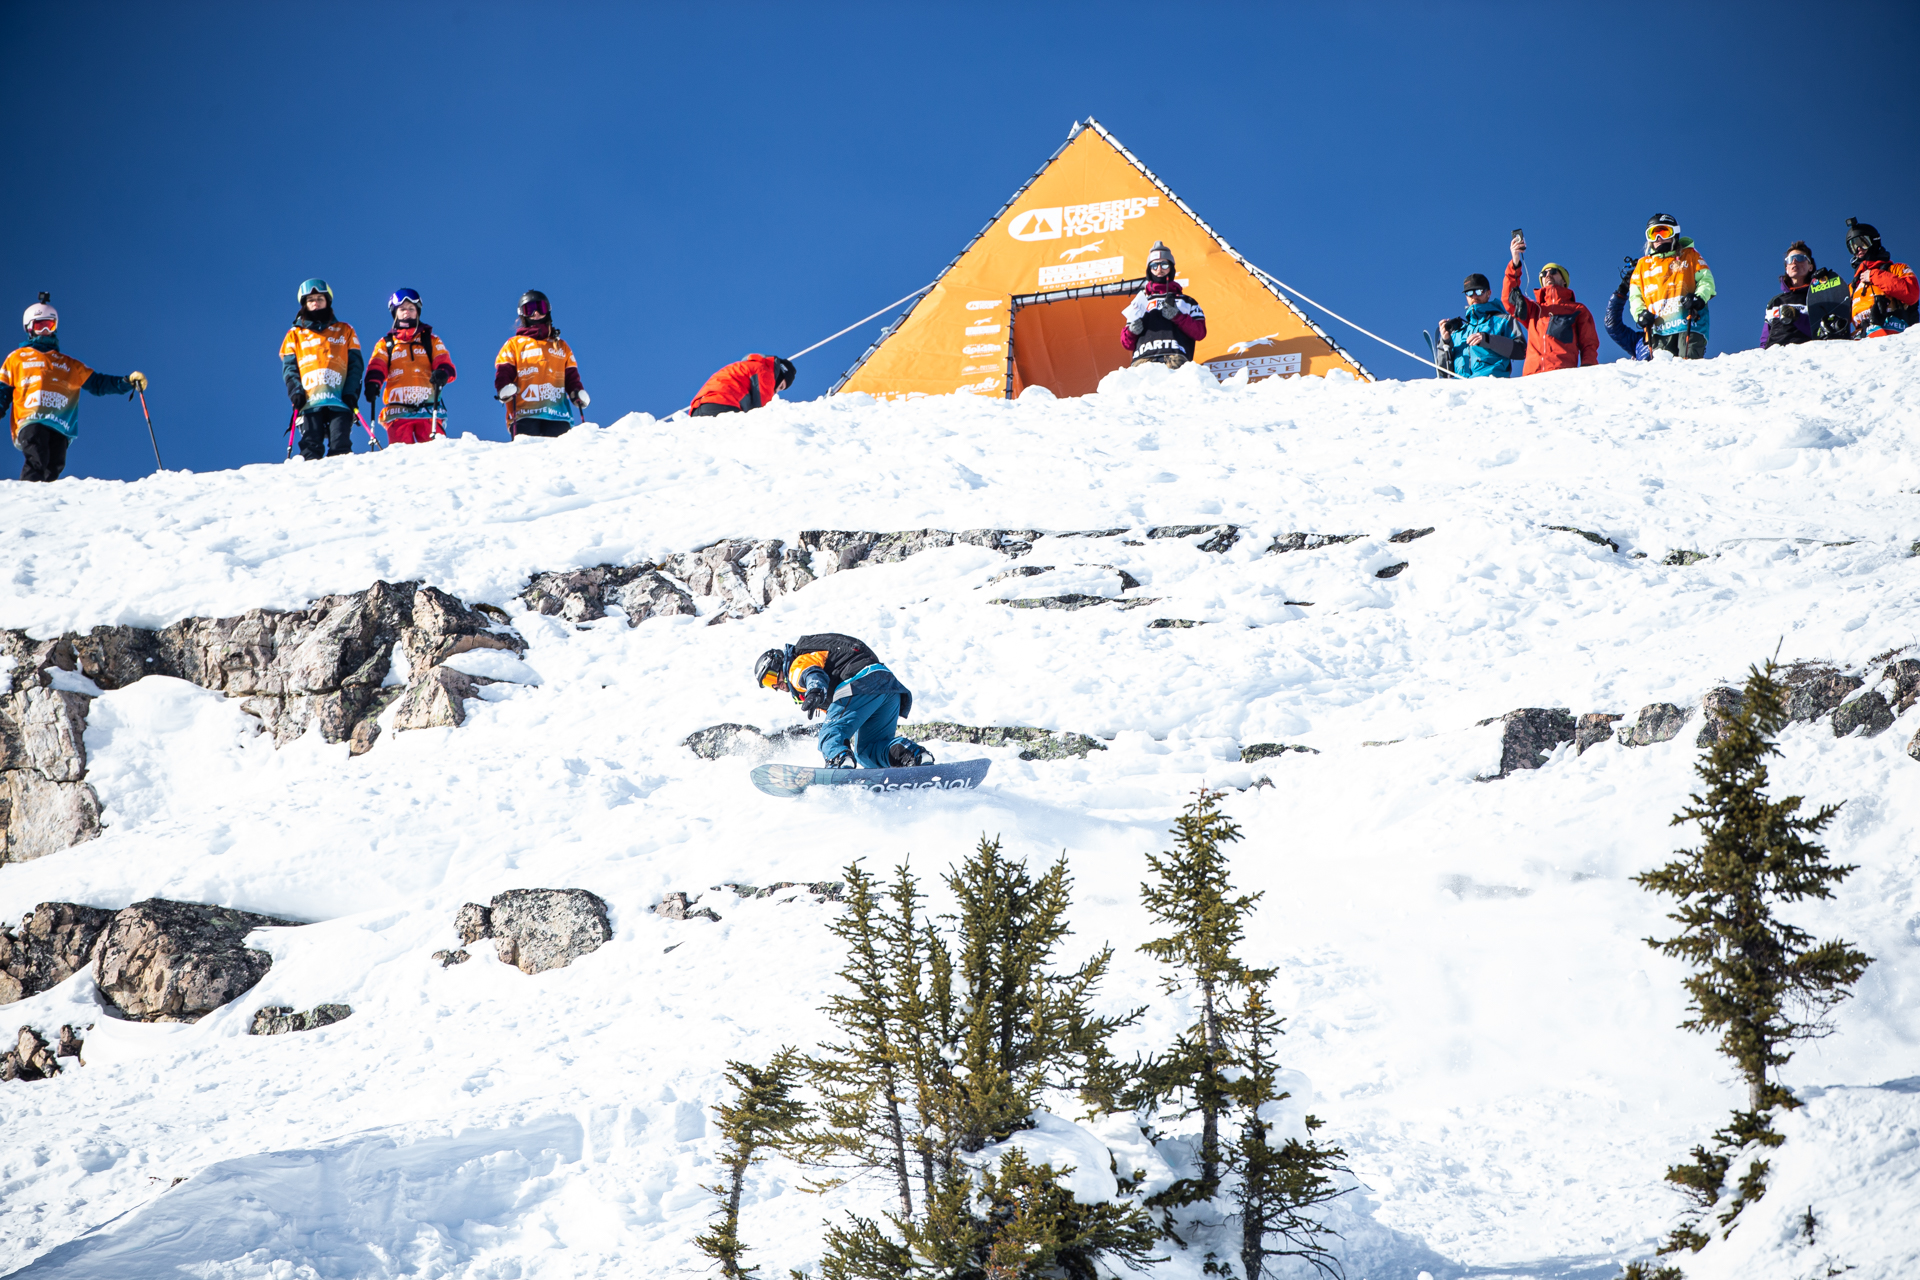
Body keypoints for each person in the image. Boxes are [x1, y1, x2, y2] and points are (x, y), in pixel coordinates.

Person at [3, 293, 146, 482]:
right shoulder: (17, 358)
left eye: (50, 325)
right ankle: (27, 497)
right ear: (29, 328)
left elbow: (98, 384)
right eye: (40, 326)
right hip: (31, 419)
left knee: (55, 465)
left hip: (61, 423)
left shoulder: (69, 364)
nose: (45, 330)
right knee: (37, 456)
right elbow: (2, 389)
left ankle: (43, 505)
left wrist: (126, 382)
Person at [753, 634, 932, 769]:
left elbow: (811, 673)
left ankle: (839, 763)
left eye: (771, 677)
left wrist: (815, 690)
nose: (776, 686)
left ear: (778, 664)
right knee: (868, 751)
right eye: (769, 685)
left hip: (859, 684)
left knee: (829, 736)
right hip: (888, 688)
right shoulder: (802, 664)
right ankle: (913, 756)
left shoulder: (795, 666)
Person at [280, 279, 363, 459]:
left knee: (341, 445)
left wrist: (351, 393)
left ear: (327, 301)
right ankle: (311, 484)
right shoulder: (294, 335)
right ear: (304, 304)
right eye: (311, 300)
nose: (316, 303)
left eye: (320, 299)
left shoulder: (345, 330)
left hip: (339, 399)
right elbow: (289, 368)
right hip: (310, 401)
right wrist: (295, 391)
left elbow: (356, 365)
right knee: (310, 447)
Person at [365, 289, 456, 443]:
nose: (407, 313)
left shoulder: (431, 340)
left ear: (417, 312)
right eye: (402, 309)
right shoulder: (387, 343)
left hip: (428, 411)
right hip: (397, 412)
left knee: (435, 456)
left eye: (411, 309)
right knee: (402, 458)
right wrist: (373, 383)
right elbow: (377, 366)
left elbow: (444, 361)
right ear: (395, 313)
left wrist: (443, 372)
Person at [494, 290, 587, 438]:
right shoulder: (514, 344)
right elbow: (504, 371)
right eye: (529, 310)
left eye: (540, 308)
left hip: (558, 415)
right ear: (522, 314)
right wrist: (503, 389)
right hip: (525, 414)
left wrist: (576, 392)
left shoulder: (560, 346)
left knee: (561, 457)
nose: (536, 313)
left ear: (548, 310)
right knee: (529, 455)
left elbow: (571, 376)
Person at [1502, 236, 1599, 373]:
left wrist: (1588, 368)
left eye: (1553, 271)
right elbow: (1509, 299)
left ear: (1564, 280)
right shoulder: (1534, 309)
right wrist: (1515, 261)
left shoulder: (1578, 310)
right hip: (1532, 377)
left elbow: (1589, 343)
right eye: (1543, 273)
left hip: (1562, 376)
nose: (1547, 275)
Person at [1628, 214, 1715, 359]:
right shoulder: (1643, 265)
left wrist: (1699, 297)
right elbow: (1635, 295)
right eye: (1653, 234)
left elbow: (1706, 280)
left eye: (1664, 232)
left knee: (1688, 365)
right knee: (1663, 371)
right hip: (1659, 327)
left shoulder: (1690, 256)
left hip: (1689, 322)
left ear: (1674, 233)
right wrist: (1640, 313)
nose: (1658, 239)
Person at [1121, 241, 1206, 367]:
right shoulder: (1140, 302)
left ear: (1171, 268)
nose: (1159, 269)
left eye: (1164, 265)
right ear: (1149, 270)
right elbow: (1127, 343)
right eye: (1154, 266)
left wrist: (1178, 317)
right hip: (1142, 361)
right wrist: (1132, 331)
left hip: (1174, 358)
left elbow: (1200, 333)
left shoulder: (1187, 301)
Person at [1760, 242, 1849, 348]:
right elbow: (1765, 338)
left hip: (1804, 355)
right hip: (1774, 356)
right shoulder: (1775, 302)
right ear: (1786, 269)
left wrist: (1797, 317)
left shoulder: (1817, 297)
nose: (1794, 261)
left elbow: (1822, 334)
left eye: (1799, 258)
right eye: (1789, 260)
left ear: (1810, 267)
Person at [1436, 273, 1525, 377]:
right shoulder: (1458, 332)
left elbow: (1521, 350)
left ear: (1488, 293)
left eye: (1479, 291)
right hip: (1462, 390)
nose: (1474, 296)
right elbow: (1444, 372)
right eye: (1469, 293)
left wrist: (1489, 340)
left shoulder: (1503, 321)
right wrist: (1445, 342)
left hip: (1491, 384)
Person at [1843, 219, 1919, 340]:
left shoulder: (1896, 269)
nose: (1858, 249)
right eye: (1853, 245)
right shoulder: (1852, 286)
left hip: (1893, 334)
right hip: (1861, 339)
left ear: (1873, 242)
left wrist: (1874, 276)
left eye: (1862, 242)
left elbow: (1912, 293)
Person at [689, 354, 796, 416]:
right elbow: (762, 412)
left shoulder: (745, 367)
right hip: (722, 406)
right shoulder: (765, 371)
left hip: (698, 409)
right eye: (780, 386)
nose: (776, 391)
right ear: (780, 375)